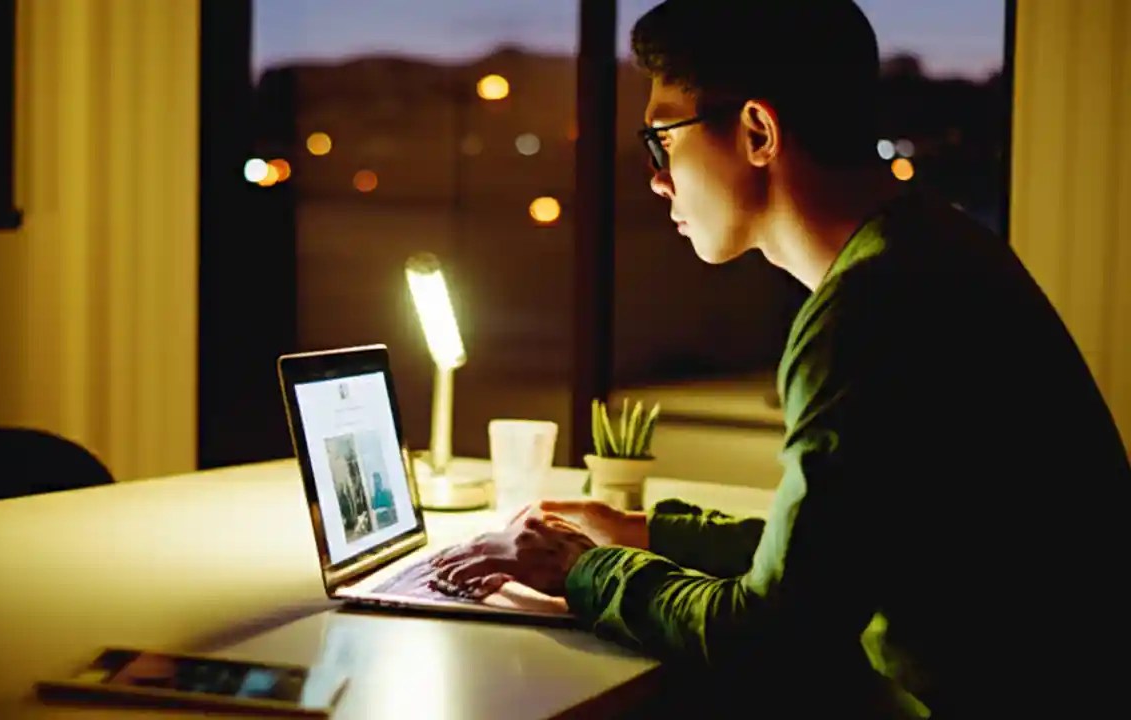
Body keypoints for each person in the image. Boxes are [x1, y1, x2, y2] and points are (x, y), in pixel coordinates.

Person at [427, 1, 1130, 717]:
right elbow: (836, 562)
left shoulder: (868, 311)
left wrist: (583, 571)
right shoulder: (932, 248)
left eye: (660, 138)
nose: (656, 177)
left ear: (758, 132)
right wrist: (641, 531)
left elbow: (771, 634)